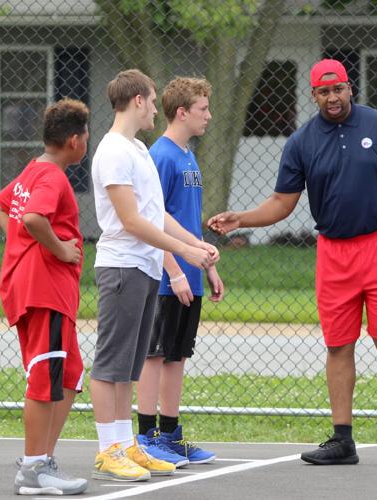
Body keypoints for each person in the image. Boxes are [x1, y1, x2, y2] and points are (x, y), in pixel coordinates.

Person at [208, 58, 377, 468]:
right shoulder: (302, 141)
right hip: (334, 252)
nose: (332, 97)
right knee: (338, 345)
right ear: (314, 95)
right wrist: (241, 219)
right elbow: (283, 202)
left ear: (349, 88)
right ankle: (343, 440)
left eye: (337, 89)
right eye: (323, 91)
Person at [90, 69, 218, 481]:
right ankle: (108, 449)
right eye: (150, 97)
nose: (154, 106)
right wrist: (182, 251)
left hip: (144, 267)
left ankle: (129, 445)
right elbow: (130, 220)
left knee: (129, 366)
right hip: (122, 267)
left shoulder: (139, 150)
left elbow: (155, 214)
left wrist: (197, 247)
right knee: (111, 364)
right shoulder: (112, 151)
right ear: (139, 101)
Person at [0, 98, 90, 495]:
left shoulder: (36, 169)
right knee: (45, 375)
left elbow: (3, 206)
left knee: (69, 374)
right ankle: (33, 469)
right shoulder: (52, 178)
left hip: (48, 290)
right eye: (85, 135)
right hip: (42, 290)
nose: (87, 141)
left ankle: (42, 461)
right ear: (72, 140)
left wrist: (20, 243)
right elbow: (32, 218)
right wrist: (57, 249)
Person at [135, 77, 223, 466]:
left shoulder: (188, 155)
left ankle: (169, 434)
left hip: (191, 273)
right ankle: (146, 435)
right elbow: (153, 219)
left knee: (176, 357)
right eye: (203, 109)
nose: (209, 115)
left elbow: (186, 219)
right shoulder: (162, 155)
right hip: (167, 277)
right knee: (154, 355)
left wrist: (206, 264)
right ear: (182, 112)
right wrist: (174, 269)